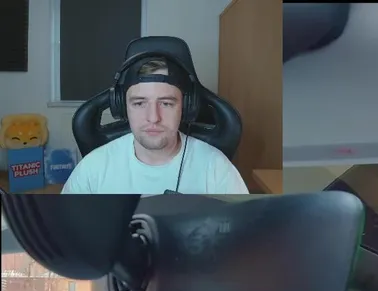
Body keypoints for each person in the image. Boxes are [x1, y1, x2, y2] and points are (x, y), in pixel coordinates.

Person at [61, 57, 248, 195]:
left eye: (166, 103)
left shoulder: (216, 168)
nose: (153, 117)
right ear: (123, 108)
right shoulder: (91, 169)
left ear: (185, 107)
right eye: (139, 103)